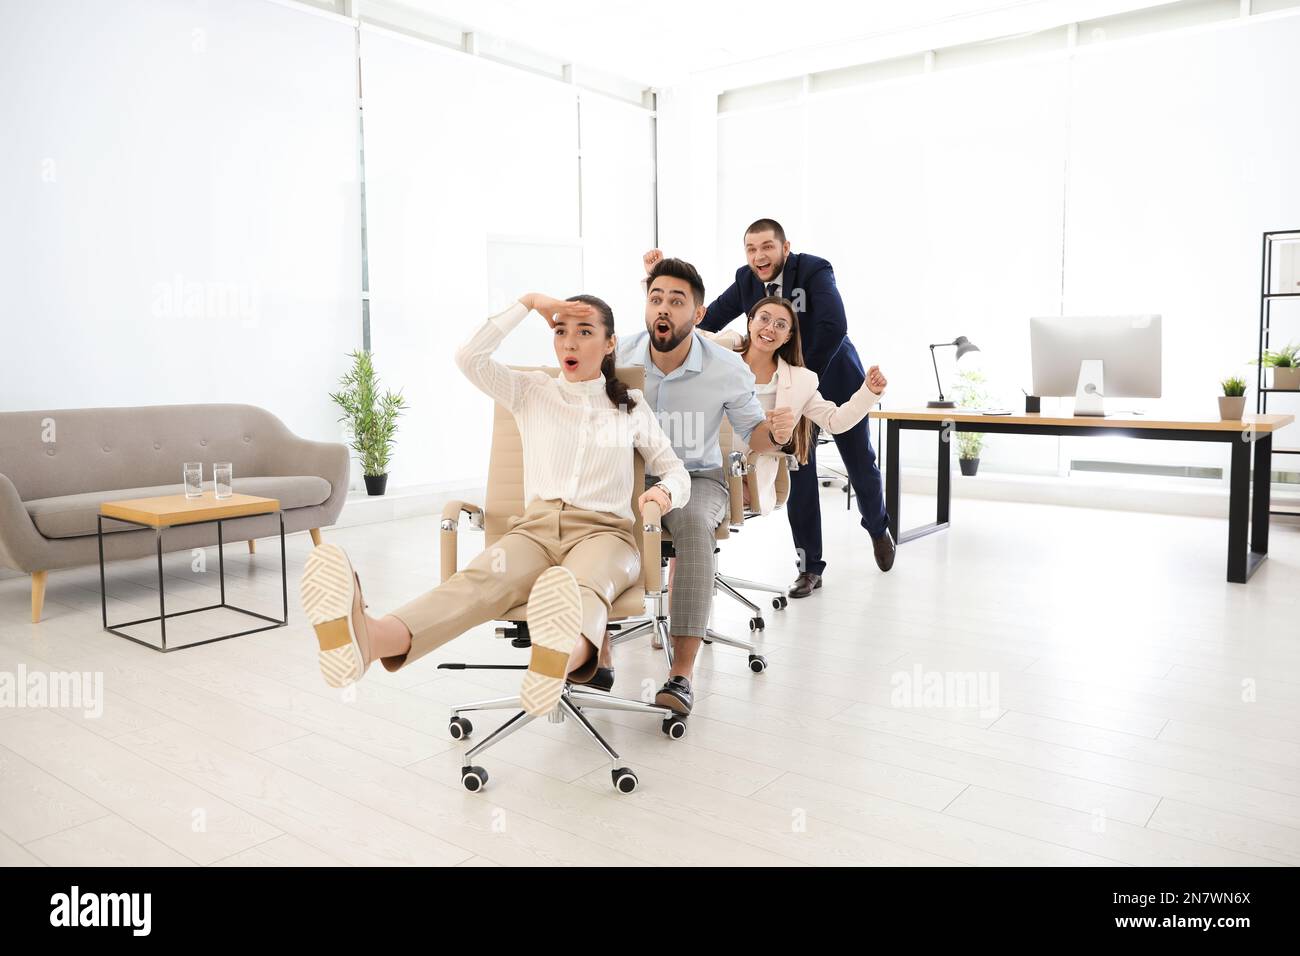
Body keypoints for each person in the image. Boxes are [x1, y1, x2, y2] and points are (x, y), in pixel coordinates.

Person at [299, 292, 690, 718]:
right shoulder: (530, 390)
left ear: (610, 343)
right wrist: (528, 303)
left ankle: (555, 656)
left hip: (605, 534)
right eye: (561, 332)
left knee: (583, 588)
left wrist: (663, 493)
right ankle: (370, 640)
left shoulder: (630, 406)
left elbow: (675, 471)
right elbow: (470, 357)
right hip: (535, 530)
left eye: (584, 332)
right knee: (476, 584)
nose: (570, 344)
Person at [645, 217, 896, 600]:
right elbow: (702, 320)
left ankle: (878, 526)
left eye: (767, 247)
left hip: (831, 370)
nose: (759, 256)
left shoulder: (814, 269)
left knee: (859, 459)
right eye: (751, 248)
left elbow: (833, 325)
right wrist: (659, 281)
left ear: (785, 248)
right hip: (786, 381)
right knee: (799, 464)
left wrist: (797, 378)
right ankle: (810, 566)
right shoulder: (746, 280)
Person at [618, 258, 790, 716]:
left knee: (693, 530)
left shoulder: (726, 368)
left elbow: (753, 433)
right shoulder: (617, 356)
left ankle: (682, 674)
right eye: (656, 299)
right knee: (589, 523)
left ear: (698, 313)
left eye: (677, 301)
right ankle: (592, 655)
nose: (664, 309)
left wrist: (775, 433)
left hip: (696, 477)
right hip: (631, 477)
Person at [704, 295, 888, 516]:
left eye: (780, 325)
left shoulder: (801, 380)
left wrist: (869, 392)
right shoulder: (722, 356)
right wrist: (728, 340)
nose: (770, 328)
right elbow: (682, 339)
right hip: (702, 462)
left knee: (700, 507)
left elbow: (835, 422)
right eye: (764, 318)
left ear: (788, 336)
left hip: (744, 476)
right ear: (750, 321)